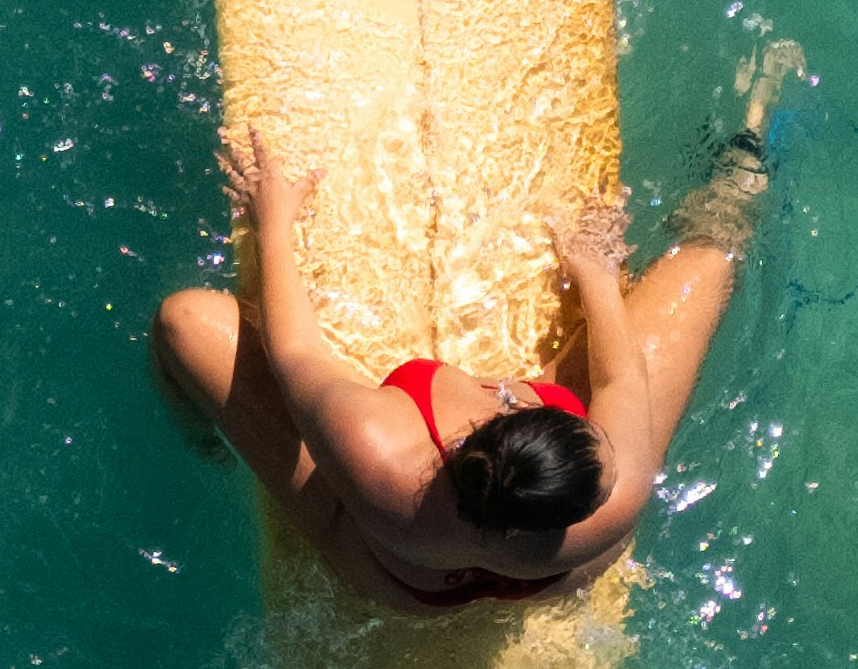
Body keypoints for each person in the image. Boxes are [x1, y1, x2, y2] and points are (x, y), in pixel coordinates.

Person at [149, 54, 803, 609]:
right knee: (710, 258)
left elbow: (296, 352)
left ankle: (192, 432)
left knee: (183, 321)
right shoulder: (618, 489)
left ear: (464, 438)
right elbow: (618, 377)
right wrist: (596, 273)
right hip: (544, 578)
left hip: (397, 574)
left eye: (510, 402)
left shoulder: (379, 454)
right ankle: (752, 143)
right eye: (520, 400)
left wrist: (275, 217)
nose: (507, 387)